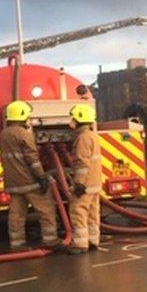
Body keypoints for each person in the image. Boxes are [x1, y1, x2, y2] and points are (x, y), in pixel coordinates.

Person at [1, 100, 58, 251]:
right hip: (30, 181)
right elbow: (32, 160)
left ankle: (17, 244)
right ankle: (50, 241)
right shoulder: (23, 134)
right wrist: (41, 177)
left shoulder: (4, 134)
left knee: (16, 215)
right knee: (46, 210)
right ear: (23, 116)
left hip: (14, 183)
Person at [67, 102, 102, 255]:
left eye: (73, 119)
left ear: (78, 120)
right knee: (93, 212)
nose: (71, 122)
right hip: (95, 182)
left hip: (85, 183)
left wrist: (79, 183)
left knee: (78, 210)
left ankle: (80, 244)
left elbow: (82, 163)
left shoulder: (82, 138)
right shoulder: (93, 135)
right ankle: (93, 240)